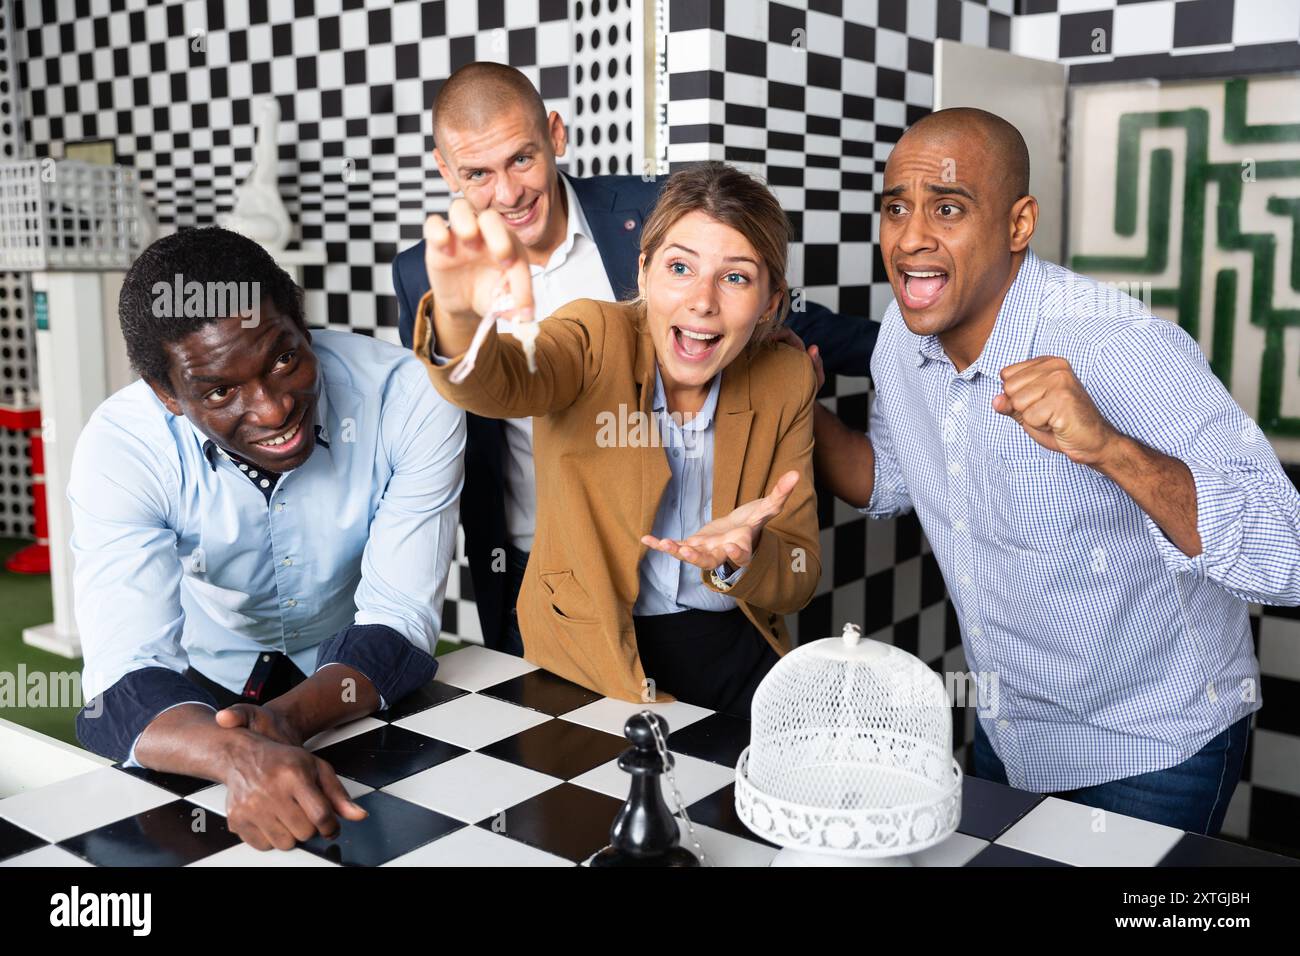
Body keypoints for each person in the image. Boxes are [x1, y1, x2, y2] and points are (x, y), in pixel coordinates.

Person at [807, 107, 1300, 834]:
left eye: (947, 208)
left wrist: (1108, 446)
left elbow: (1285, 554)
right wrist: (792, 397)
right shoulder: (898, 342)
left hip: (1153, 749)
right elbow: (885, 481)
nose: (911, 237)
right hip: (1009, 736)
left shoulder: (1118, 345)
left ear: (1018, 223)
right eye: (896, 208)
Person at [391, 61, 875, 656]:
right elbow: (485, 390)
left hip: (686, 573)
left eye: (521, 159)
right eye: (477, 173)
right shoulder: (425, 272)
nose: (508, 193)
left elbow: (750, 300)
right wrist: (461, 324)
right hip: (527, 556)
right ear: (445, 171)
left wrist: (914, 350)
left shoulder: (651, 211)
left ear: (555, 135)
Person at [70, 227, 465, 850]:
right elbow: (124, 675)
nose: (274, 409)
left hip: (350, 680)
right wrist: (237, 753)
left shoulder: (409, 397)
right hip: (200, 693)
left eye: (284, 359)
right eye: (221, 391)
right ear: (167, 395)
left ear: (302, 324)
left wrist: (282, 722)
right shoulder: (123, 447)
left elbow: (399, 617)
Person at [413, 162, 821, 714]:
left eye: (736, 277)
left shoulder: (785, 378)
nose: (702, 301)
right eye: (681, 267)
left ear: (772, 301)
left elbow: (798, 575)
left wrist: (740, 560)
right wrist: (461, 318)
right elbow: (501, 384)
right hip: (590, 654)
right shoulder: (592, 335)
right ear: (646, 270)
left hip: (733, 656)